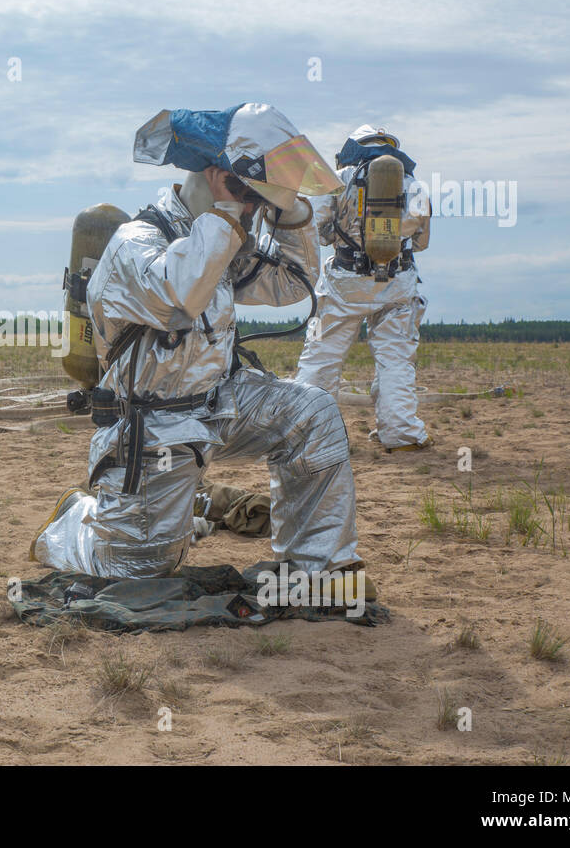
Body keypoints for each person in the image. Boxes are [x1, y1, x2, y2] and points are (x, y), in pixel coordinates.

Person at [33, 103, 367, 588]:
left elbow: (293, 285)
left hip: (218, 401)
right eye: (251, 198)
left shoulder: (221, 241)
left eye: (258, 204)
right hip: (153, 425)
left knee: (312, 414)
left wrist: (292, 209)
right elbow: (178, 299)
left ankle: (317, 567)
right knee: (140, 569)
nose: (254, 213)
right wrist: (229, 210)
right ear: (218, 179)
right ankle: (72, 524)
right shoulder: (136, 243)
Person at [294, 125, 432, 452]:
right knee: (396, 361)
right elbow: (421, 242)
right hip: (397, 282)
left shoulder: (338, 178)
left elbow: (315, 229)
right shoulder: (413, 185)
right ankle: (402, 436)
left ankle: (306, 435)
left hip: (345, 281)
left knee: (322, 359)